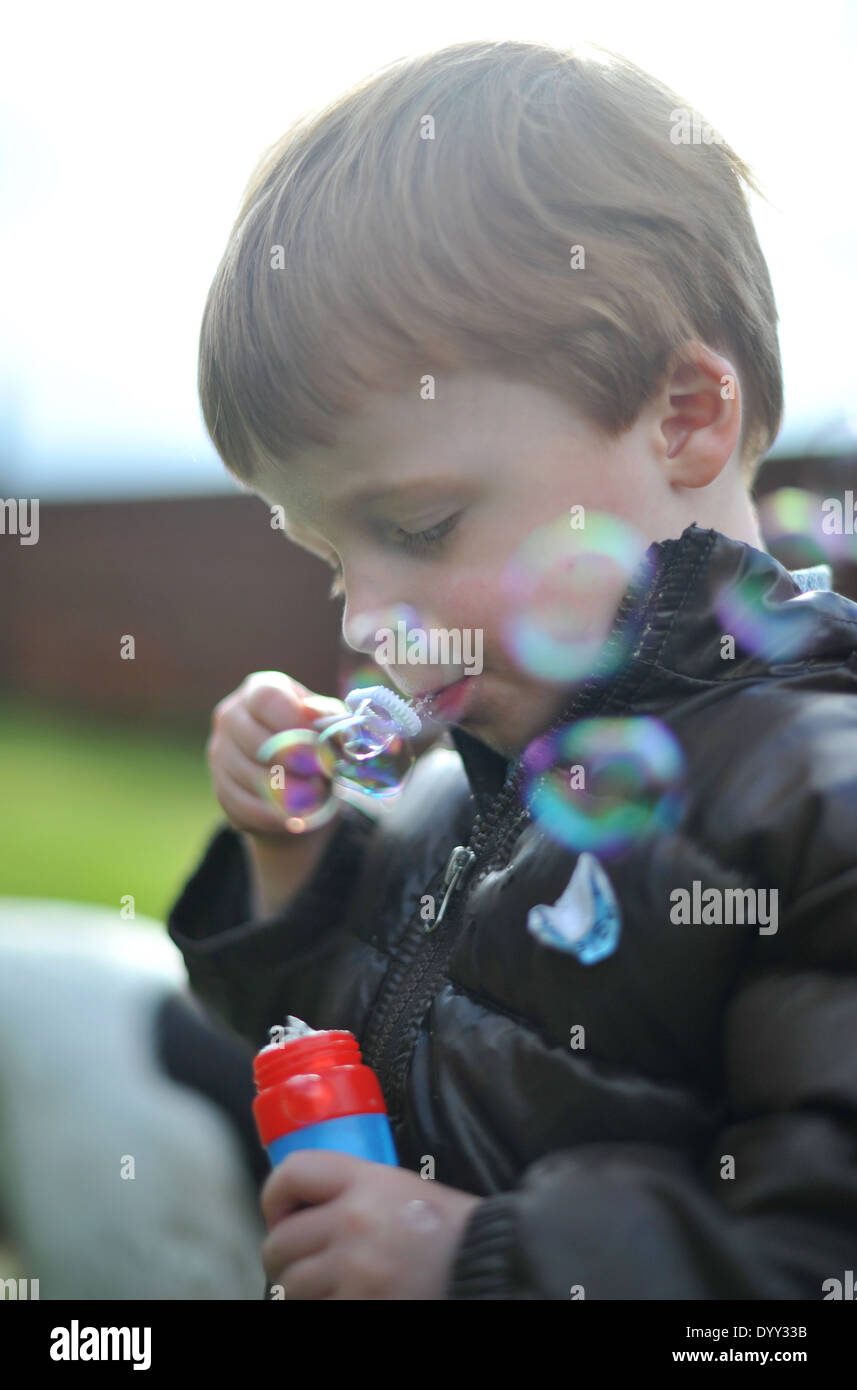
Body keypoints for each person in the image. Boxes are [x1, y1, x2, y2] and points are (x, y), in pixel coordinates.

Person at [167, 39, 857, 1299]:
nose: (368, 619)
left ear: (684, 416)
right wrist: (291, 859)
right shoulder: (461, 792)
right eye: (330, 557)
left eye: (419, 528)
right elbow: (346, 1026)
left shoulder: (814, 812)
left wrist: (482, 1260)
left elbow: (815, 1268)